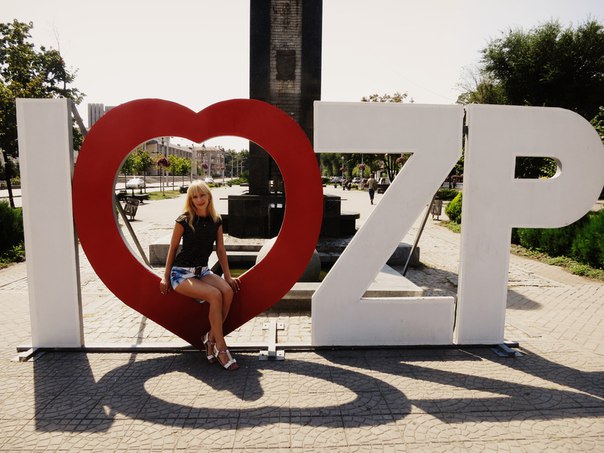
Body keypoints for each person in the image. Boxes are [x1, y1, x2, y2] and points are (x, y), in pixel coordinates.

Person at [160, 180, 241, 371]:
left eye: (202, 195)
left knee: (227, 291)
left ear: (209, 196)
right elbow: (172, 248)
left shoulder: (216, 220)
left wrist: (227, 276)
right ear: (190, 199)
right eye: (194, 197)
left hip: (202, 271)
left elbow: (220, 250)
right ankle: (221, 348)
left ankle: (210, 338)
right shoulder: (184, 220)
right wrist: (165, 276)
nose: (199, 200)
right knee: (215, 295)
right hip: (181, 273)